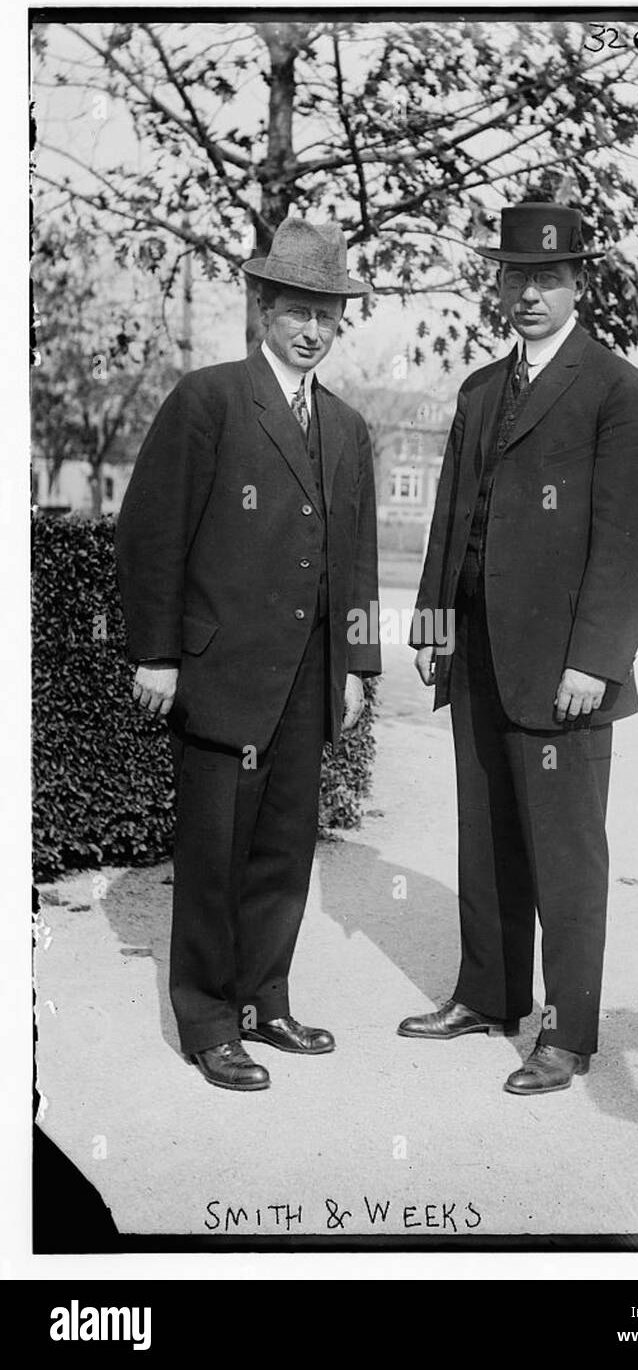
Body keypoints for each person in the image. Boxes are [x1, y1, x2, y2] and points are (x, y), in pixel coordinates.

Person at [399, 202, 638, 1095]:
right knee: (488, 834)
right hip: (474, 652)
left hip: (564, 671)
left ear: (579, 284)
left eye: (547, 278)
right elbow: (449, 523)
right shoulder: (480, 391)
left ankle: (570, 1031)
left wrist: (596, 659)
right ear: (500, 284)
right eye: (516, 276)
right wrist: (435, 628)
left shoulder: (616, 390)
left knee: (565, 852)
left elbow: (632, 545)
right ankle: (487, 994)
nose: (529, 293)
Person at [116, 218, 380, 1092]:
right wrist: (157, 654)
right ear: (263, 306)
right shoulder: (210, 398)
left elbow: (361, 556)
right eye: (296, 309)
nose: (311, 329)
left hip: (309, 680)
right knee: (215, 848)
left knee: (282, 847)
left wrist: (359, 671)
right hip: (222, 670)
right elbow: (151, 533)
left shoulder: (345, 428)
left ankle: (269, 1002)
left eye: (327, 315)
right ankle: (207, 1020)